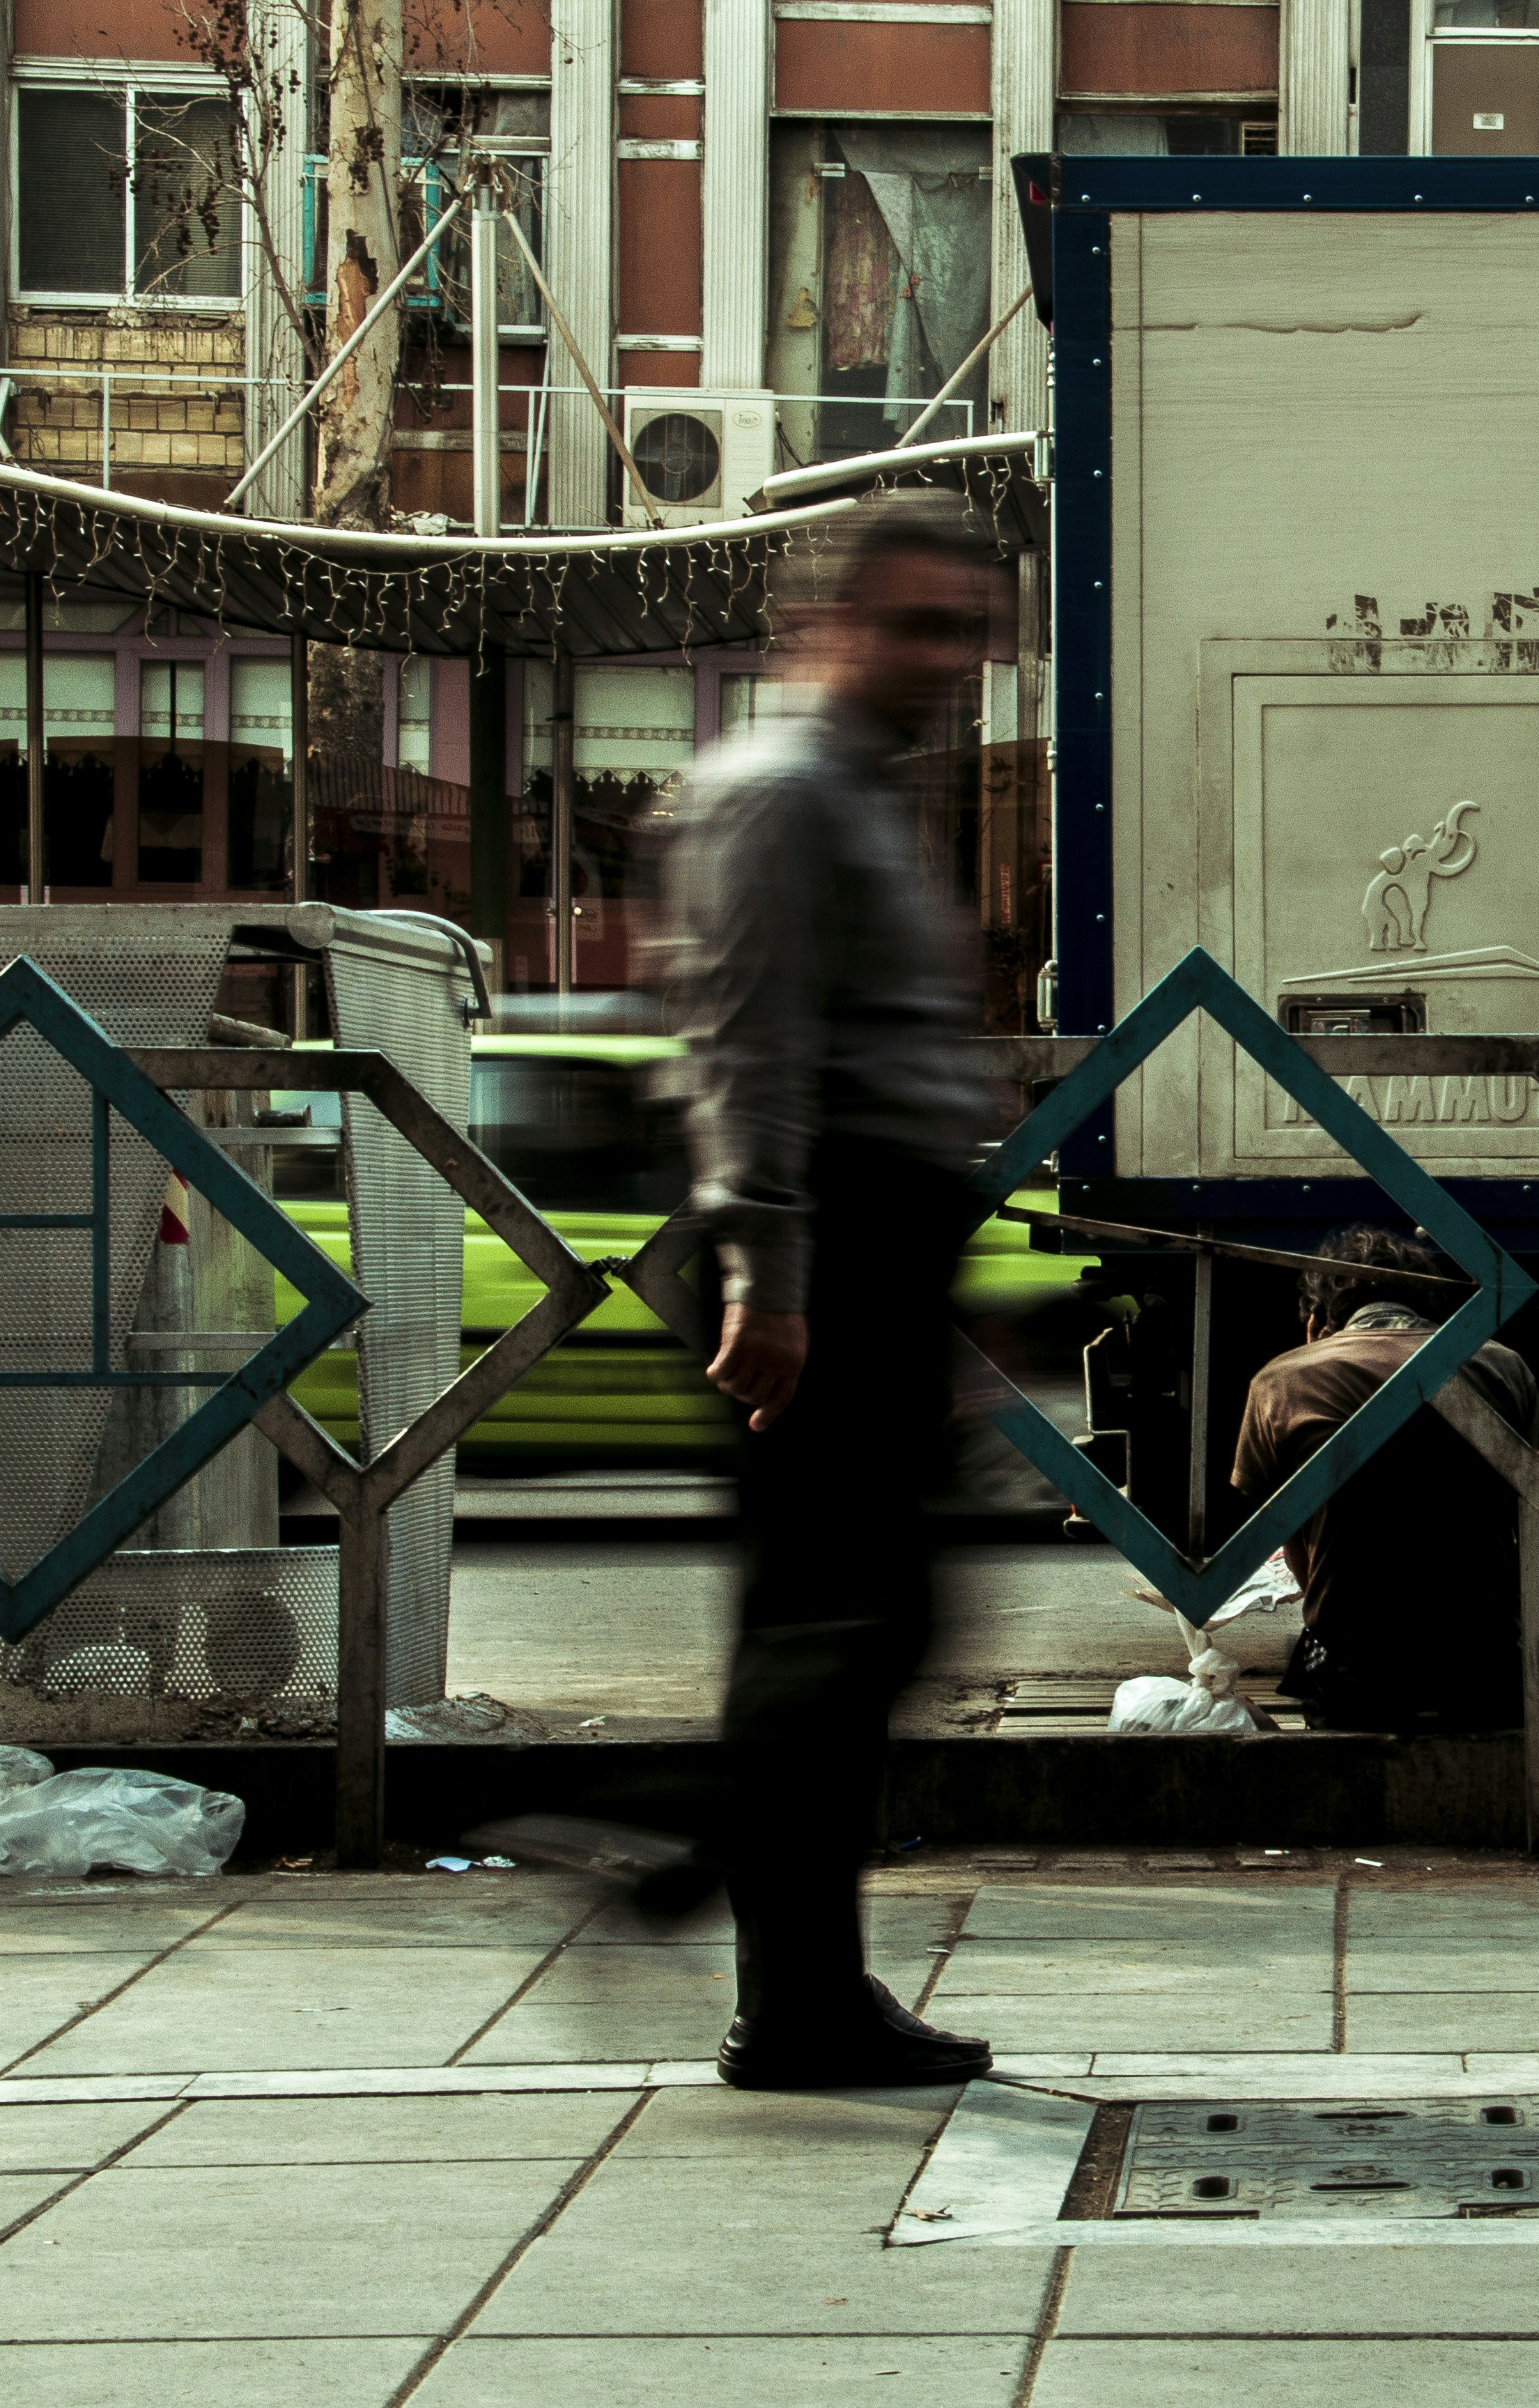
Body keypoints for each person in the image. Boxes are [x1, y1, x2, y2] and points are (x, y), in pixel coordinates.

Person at [663, 495, 1003, 2090]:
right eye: (916, 624)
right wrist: (773, 1277)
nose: (945, 659)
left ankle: (786, 1961)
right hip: (828, 1253)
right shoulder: (783, 794)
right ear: (829, 625)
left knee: (873, 1620)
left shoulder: (860, 794)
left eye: (965, 629)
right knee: (832, 1623)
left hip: (884, 1256)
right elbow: (752, 1051)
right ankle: (767, 1967)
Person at [1229, 1226, 1539, 1729]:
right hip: (1486, 1665)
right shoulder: (1504, 1367)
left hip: (1357, 1670)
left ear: (1318, 1319)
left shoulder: (1281, 1380)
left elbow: (1294, 1544)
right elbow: (1529, 1511)